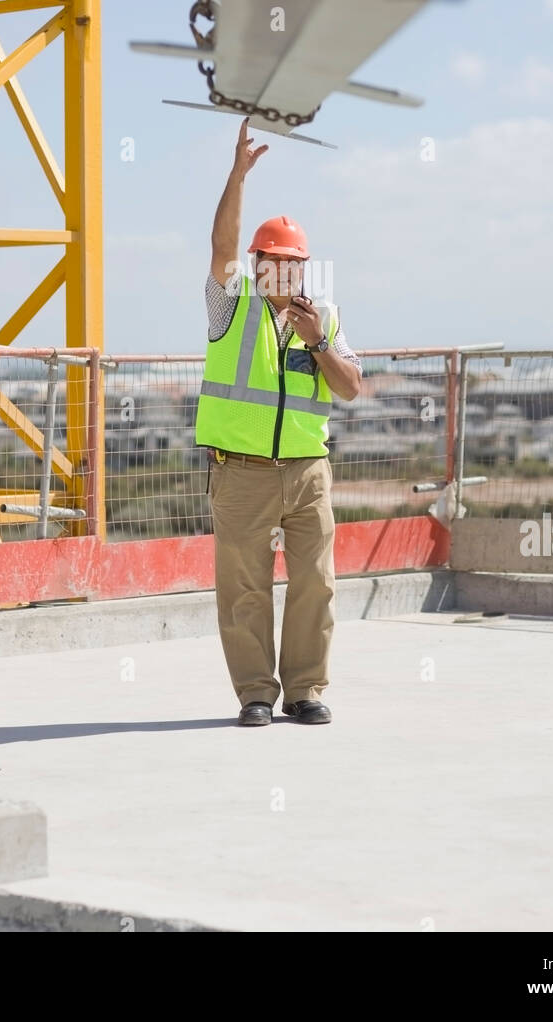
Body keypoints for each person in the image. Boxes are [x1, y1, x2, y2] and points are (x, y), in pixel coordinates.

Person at [195, 118, 363, 727]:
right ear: (257, 261)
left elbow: (350, 388)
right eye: (273, 261)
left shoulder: (327, 318)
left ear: (304, 268)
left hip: (307, 470)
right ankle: (256, 696)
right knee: (243, 590)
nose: (283, 271)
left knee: (315, 584)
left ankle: (305, 691)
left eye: (294, 263)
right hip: (242, 474)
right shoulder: (229, 308)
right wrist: (238, 173)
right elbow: (219, 249)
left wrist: (320, 342)